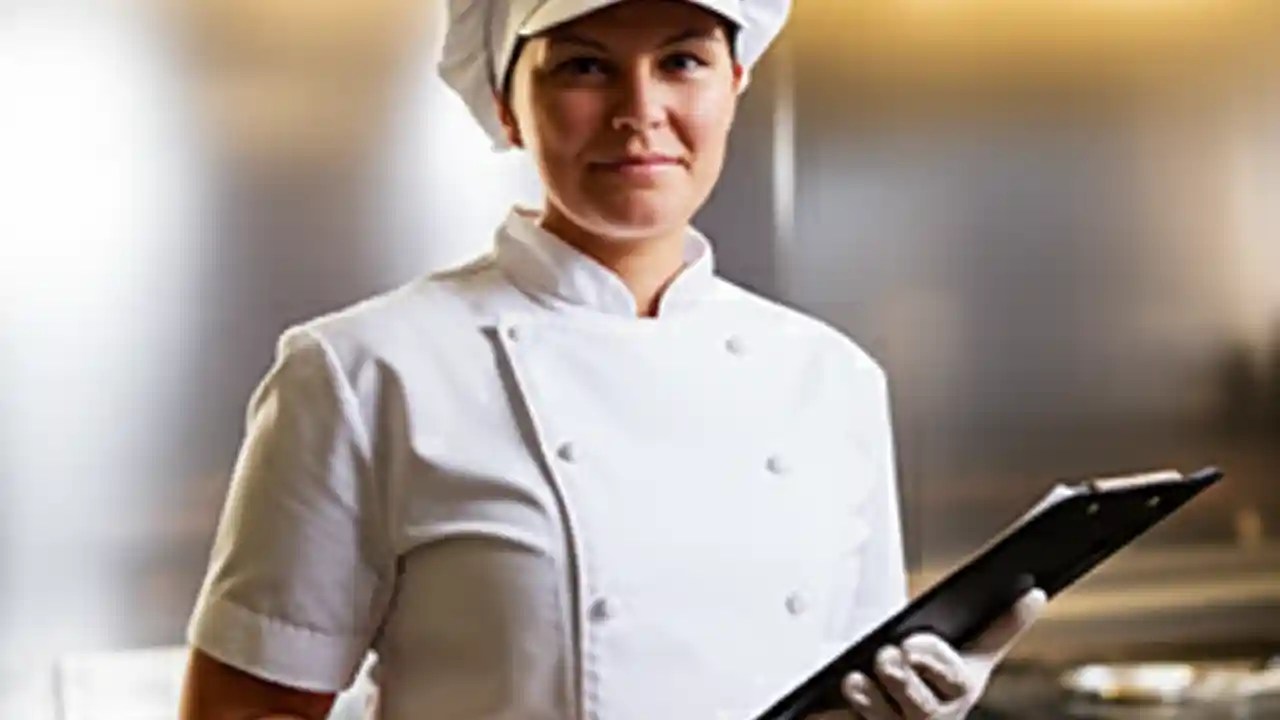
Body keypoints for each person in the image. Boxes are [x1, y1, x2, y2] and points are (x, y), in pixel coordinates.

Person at [177, 0, 1047, 718]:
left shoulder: (832, 379)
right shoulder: (363, 373)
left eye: (683, 61)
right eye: (585, 65)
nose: (641, 112)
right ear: (507, 103)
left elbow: (841, 688)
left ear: (736, 84)